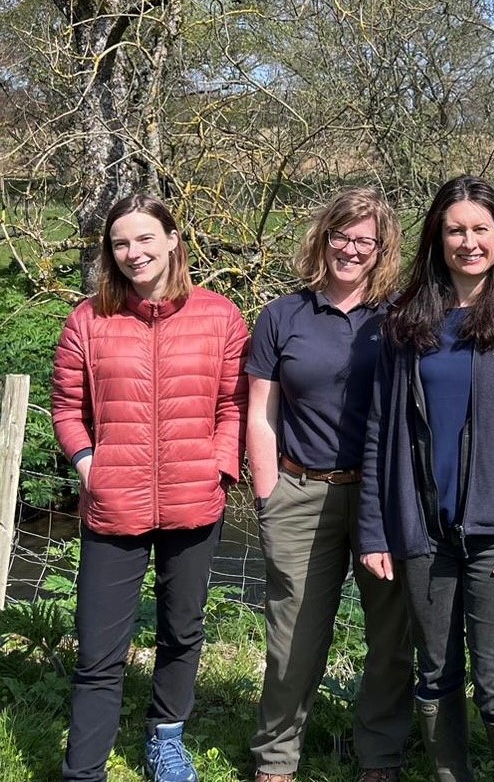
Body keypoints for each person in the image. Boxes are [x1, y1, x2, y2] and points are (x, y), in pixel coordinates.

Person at [358, 175, 494, 782]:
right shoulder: (405, 320)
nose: (468, 242)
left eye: (480, 229)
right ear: (437, 237)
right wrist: (373, 529)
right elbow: (379, 431)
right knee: (434, 674)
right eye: (455, 230)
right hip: (422, 530)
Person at [51, 193, 249, 782]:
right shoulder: (89, 320)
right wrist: (90, 467)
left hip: (194, 502)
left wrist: (216, 467)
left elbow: (233, 405)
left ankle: (165, 737)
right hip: (113, 504)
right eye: (120, 243)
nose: (133, 253)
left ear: (171, 241)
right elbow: (67, 407)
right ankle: (83, 769)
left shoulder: (220, 317)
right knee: (98, 648)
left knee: (181, 629)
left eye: (143, 239)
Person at [246, 188, 414, 782]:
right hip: (300, 492)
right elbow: (260, 411)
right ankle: (276, 759)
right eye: (342, 235)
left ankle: (380, 756)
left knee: (391, 636)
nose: (351, 248)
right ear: (323, 237)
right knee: (292, 637)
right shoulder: (282, 315)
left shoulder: (399, 317)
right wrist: (268, 491)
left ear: (381, 250)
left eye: (364, 240)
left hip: (383, 497)